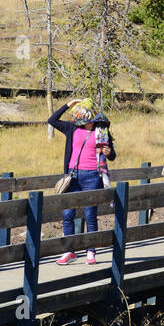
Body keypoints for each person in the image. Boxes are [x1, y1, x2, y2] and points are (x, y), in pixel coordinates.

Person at [46, 98, 107, 265]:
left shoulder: (101, 130)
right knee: (67, 214)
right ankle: (69, 251)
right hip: (73, 176)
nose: (81, 121)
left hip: (93, 176)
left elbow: (112, 154)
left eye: (83, 117)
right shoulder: (72, 128)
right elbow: (52, 120)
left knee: (90, 215)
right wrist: (68, 104)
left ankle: (91, 251)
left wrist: (108, 152)